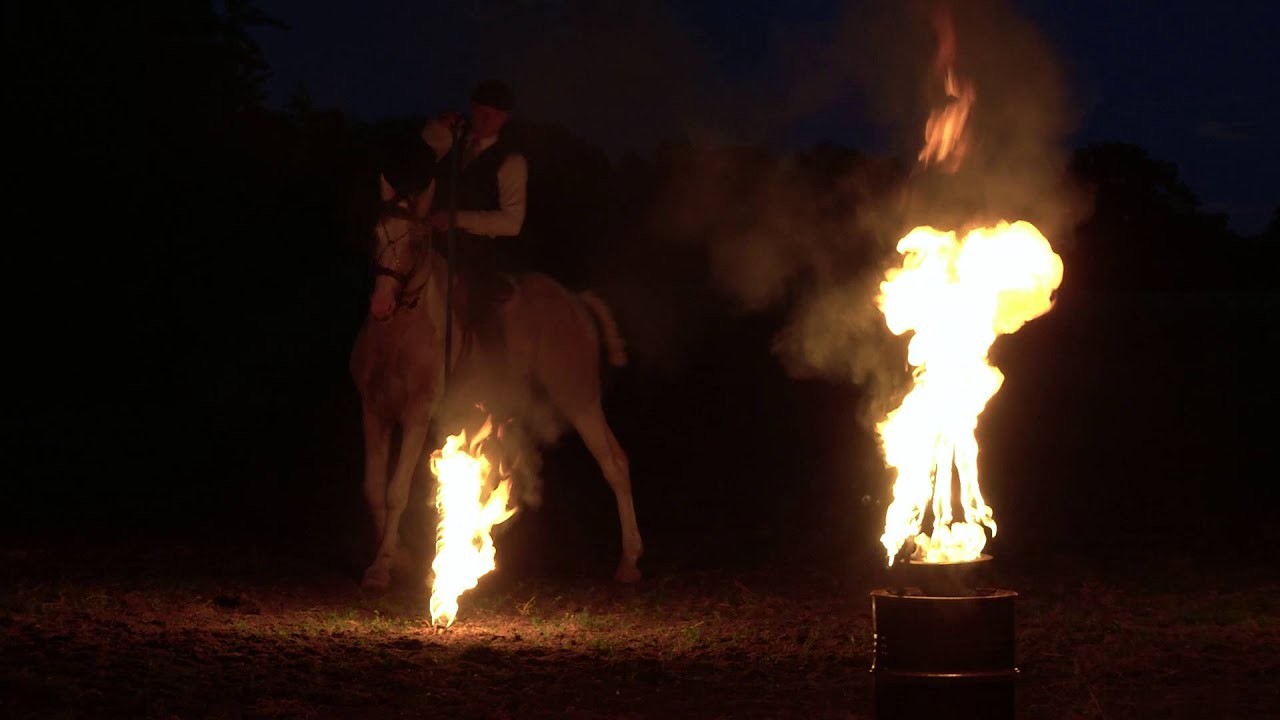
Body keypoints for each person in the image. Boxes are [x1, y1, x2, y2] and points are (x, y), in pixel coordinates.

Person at [421, 79, 529, 340]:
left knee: (480, 318)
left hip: (472, 256)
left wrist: (456, 219)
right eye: (479, 112)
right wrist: (438, 125)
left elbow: (511, 222)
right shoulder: (452, 140)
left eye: (491, 116)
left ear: (503, 119)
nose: (483, 120)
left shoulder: (511, 162)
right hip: (429, 244)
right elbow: (424, 148)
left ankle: (485, 369)